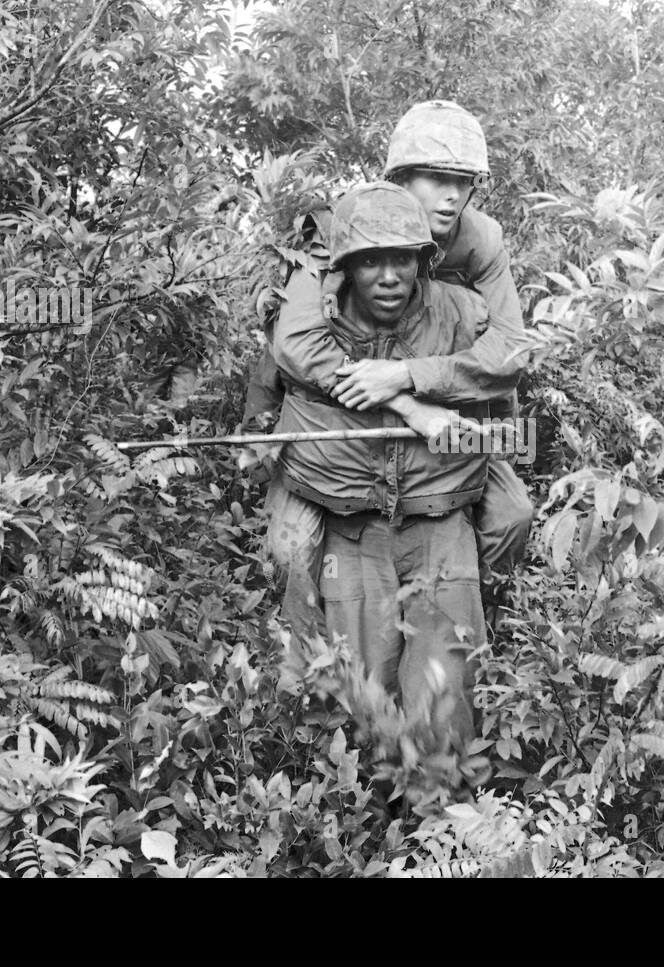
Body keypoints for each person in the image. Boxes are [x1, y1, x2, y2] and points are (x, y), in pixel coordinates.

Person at [244, 101, 533, 609]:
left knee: (511, 517)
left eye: (464, 181)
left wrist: (407, 376)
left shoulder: (479, 241)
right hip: (332, 405)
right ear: (399, 177)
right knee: (289, 551)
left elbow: (509, 350)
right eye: (435, 177)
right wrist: (405, 403)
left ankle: (472, 613)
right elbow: (298, 343)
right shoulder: (346, 223)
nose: (451, 196)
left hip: (440, 408)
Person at [272, 181, 507, 747]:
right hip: (353, 528)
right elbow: (283, 361)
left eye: (401, 258)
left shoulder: (462, 312)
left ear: (421, 262)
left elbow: (507, 369)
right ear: (345, 267)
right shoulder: (315, 319)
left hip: (441, 524)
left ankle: (445, 828)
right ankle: (367, 824)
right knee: (360, 695)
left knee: (443, 694)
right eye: (370, 260)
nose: (388, 276)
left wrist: (431, 392)